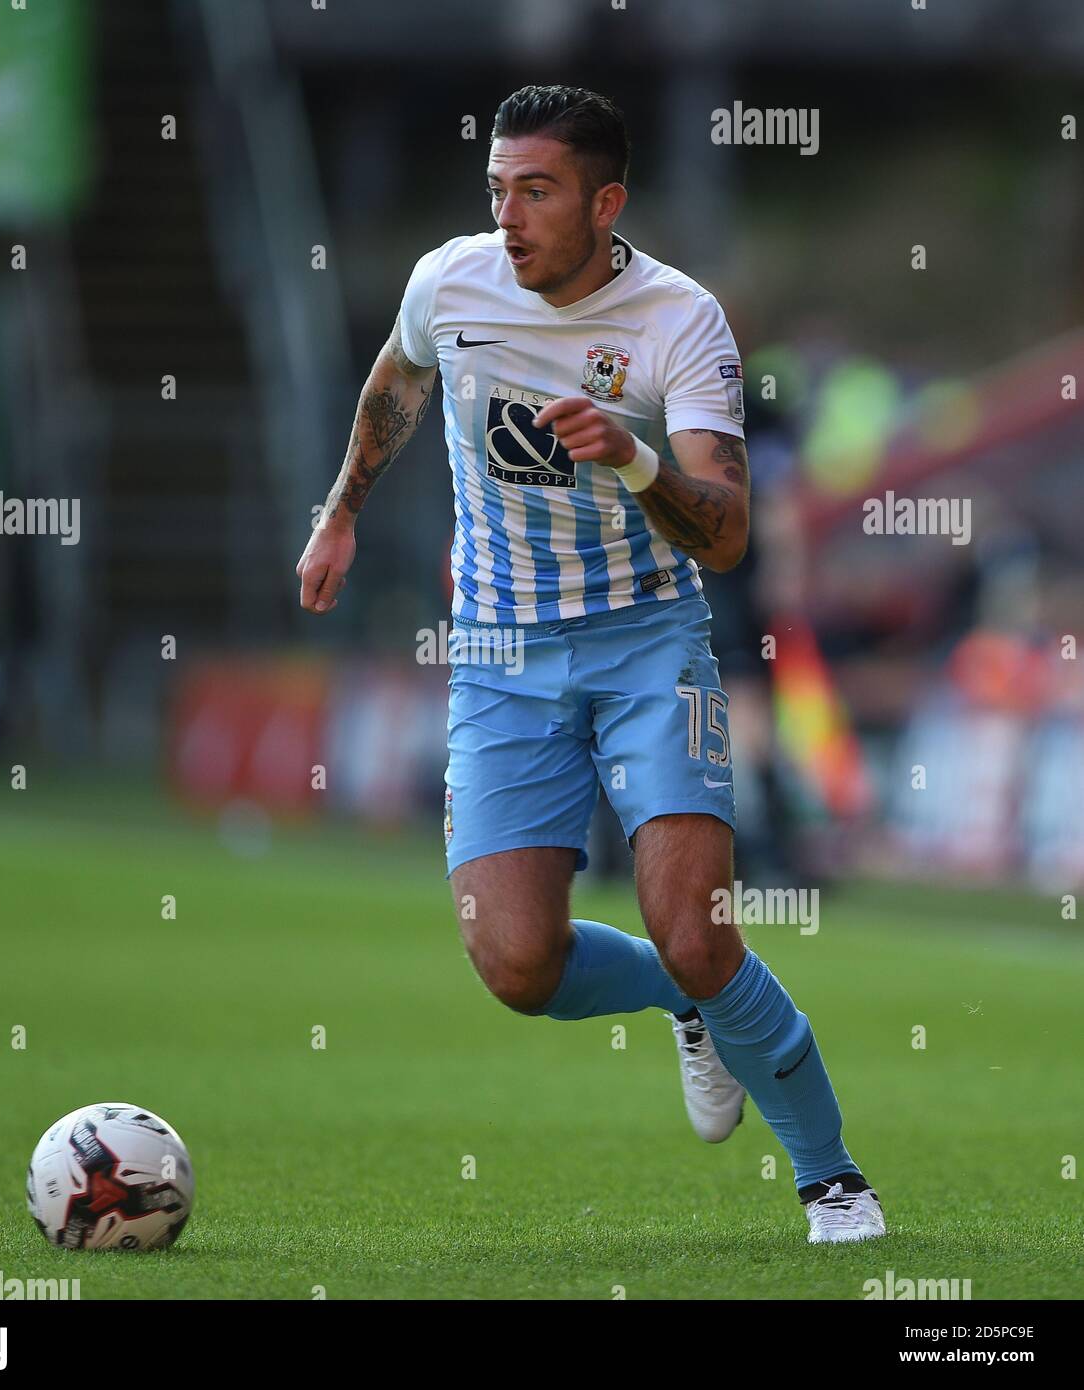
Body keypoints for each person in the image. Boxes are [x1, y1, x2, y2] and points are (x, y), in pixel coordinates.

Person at [296, 84, 883, 1243]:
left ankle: (833, 1179)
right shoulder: (449, 281)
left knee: (698, 927)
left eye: (537, 191)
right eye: (497, 189)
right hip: (498, 657)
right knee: (517, 963)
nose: (507, 216)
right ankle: (685, 1003)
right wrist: (340, 512)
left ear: (605, 203)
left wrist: (633, 459)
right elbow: (395, 379)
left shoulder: (679, 322)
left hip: (643, 645)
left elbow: (724, 531)